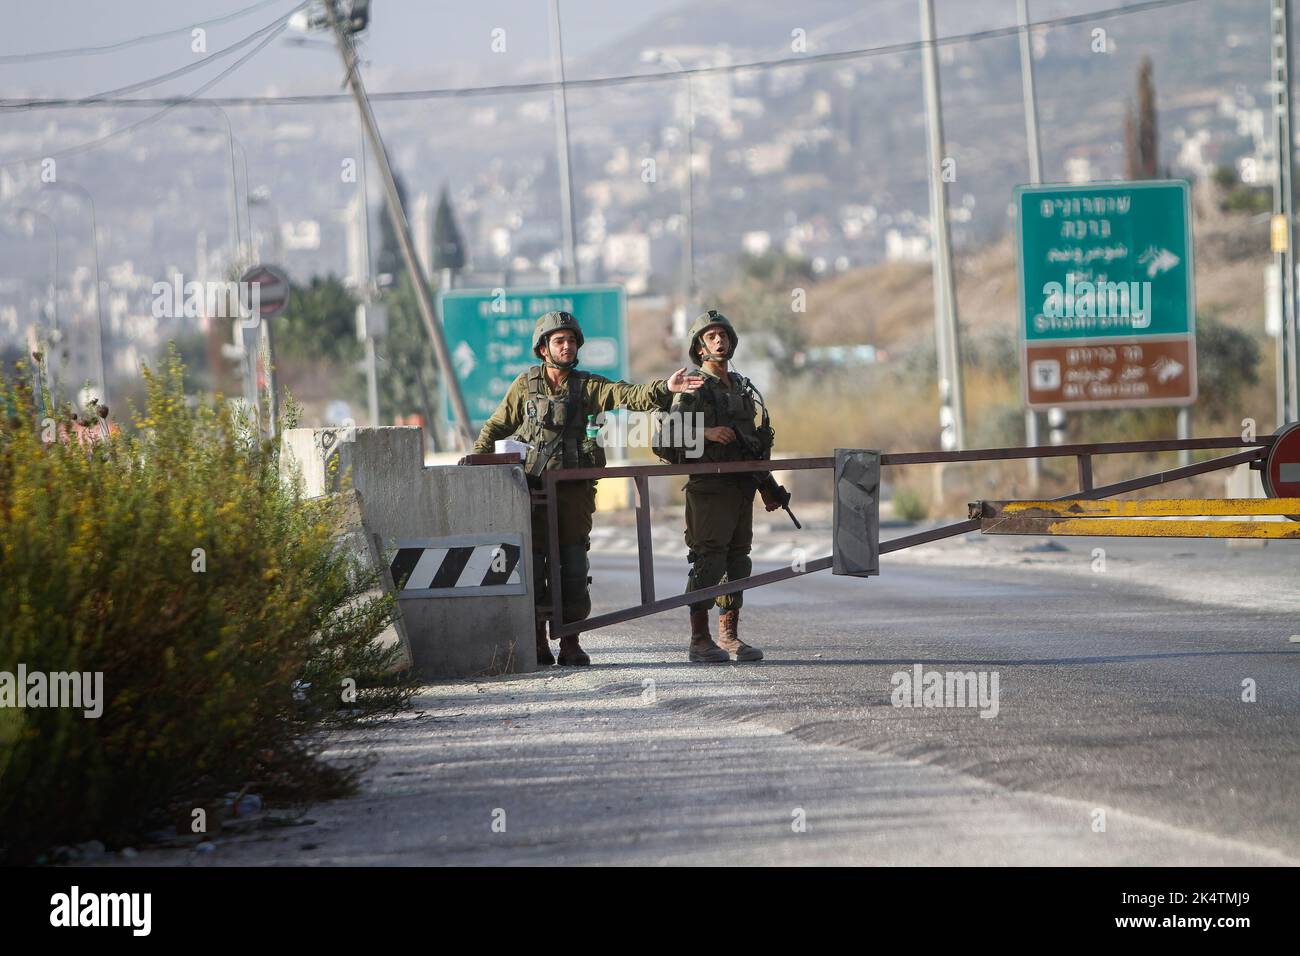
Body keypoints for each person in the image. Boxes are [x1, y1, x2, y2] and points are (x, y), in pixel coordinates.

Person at [473, 309, 702, 667]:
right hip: (530, 493)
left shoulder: (587, 386)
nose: (566, 347)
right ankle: (536, 639)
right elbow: (495, 428)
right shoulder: (524, 386)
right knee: (532, 566)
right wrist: (473, 463)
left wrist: (664, 388)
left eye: (571, 341)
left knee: (573, 566)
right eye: (559, 341)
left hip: (573, 494)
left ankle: (570, 641)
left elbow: (625, 394)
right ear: (543, 348)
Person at [666, 310, 791, 663]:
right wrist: (704, 433)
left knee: (738, 562)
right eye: (711, 336)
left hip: (741, 488)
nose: (719, 340)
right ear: (700, 348)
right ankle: (699, 639)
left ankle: (729, 637)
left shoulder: (741, 388)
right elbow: (664, 440)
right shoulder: (693, 387)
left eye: (723, 334)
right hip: (709, 489)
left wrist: (768, 485)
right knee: (708, 562)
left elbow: (752, 445)